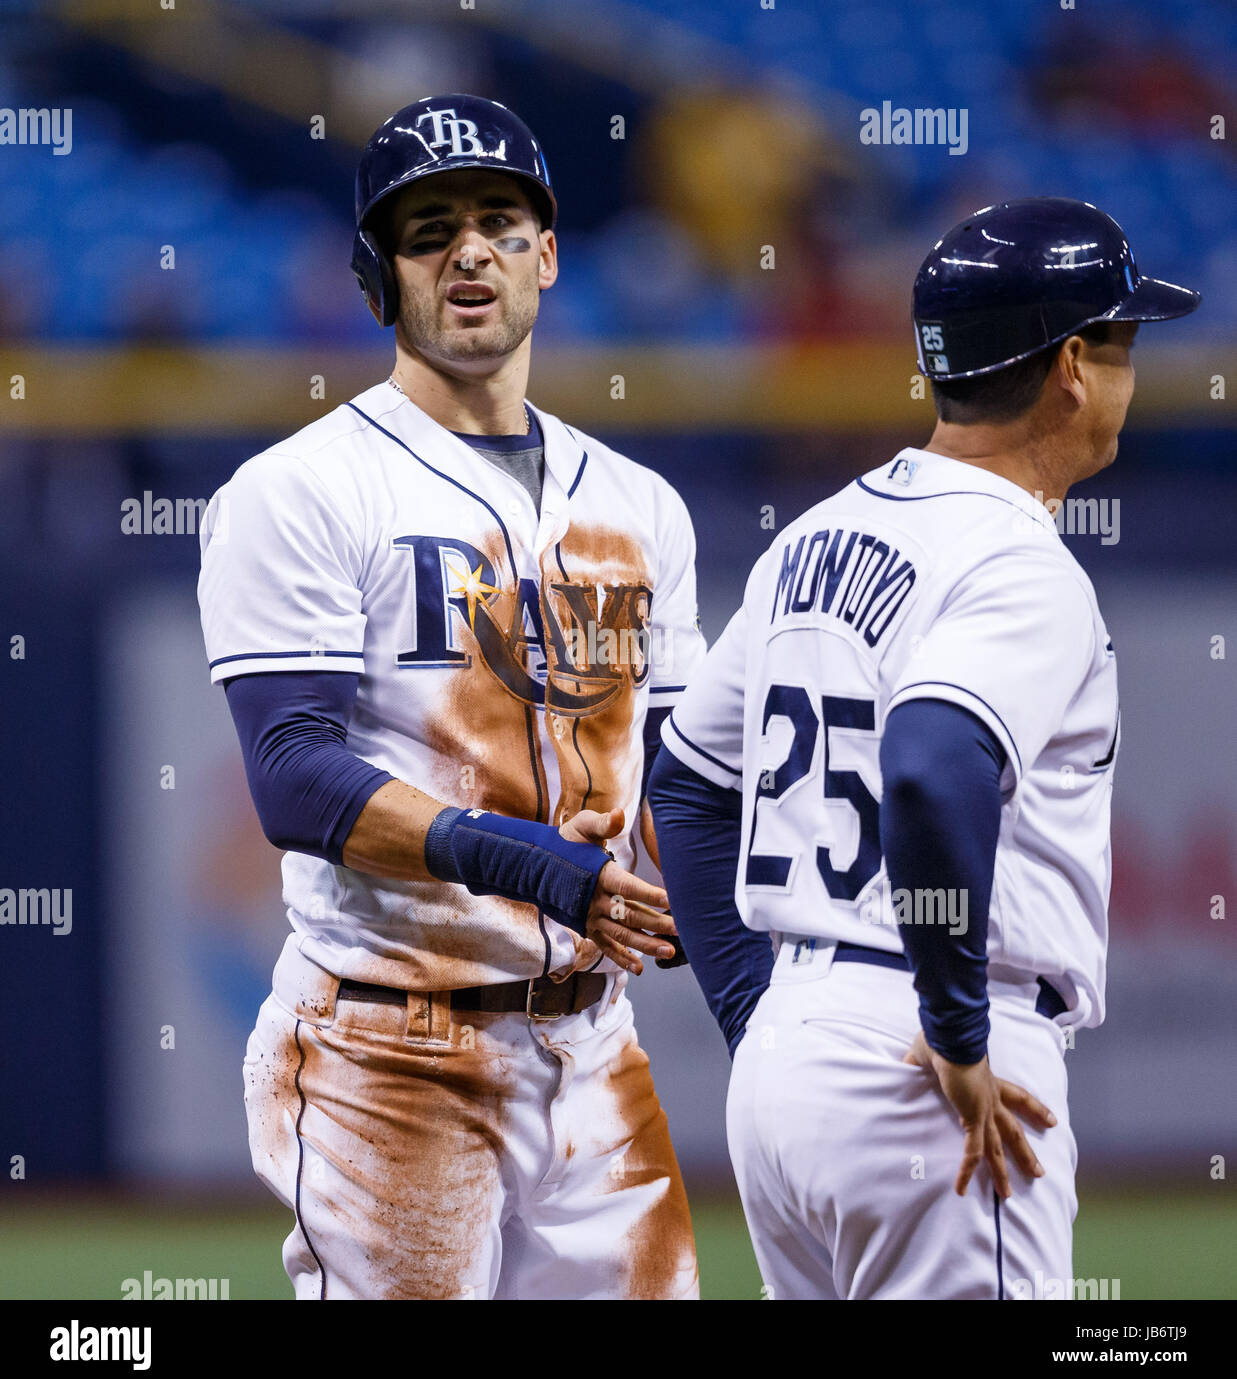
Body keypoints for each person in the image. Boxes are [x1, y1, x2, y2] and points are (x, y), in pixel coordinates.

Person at [198, 94, 704, 1300]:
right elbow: (294, 774)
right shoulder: (300, 491)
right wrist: (538, 863)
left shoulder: (640, 503)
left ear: (548, 255)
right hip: (390, 1041)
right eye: (429, 229)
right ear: (382, 276)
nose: (470, 249)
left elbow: (678, 770)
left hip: (592, 1040)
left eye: (500, 219)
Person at [648, 197, 1200, 1299]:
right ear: (1073, 365)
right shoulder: (1021, 564)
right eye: (1124, 343)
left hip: (788, 1059)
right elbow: (928, 763)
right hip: (929, 1055)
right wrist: (951, 1024)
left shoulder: (812, 536)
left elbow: (684, 784)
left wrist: (760, 1017)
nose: (1130, 375)